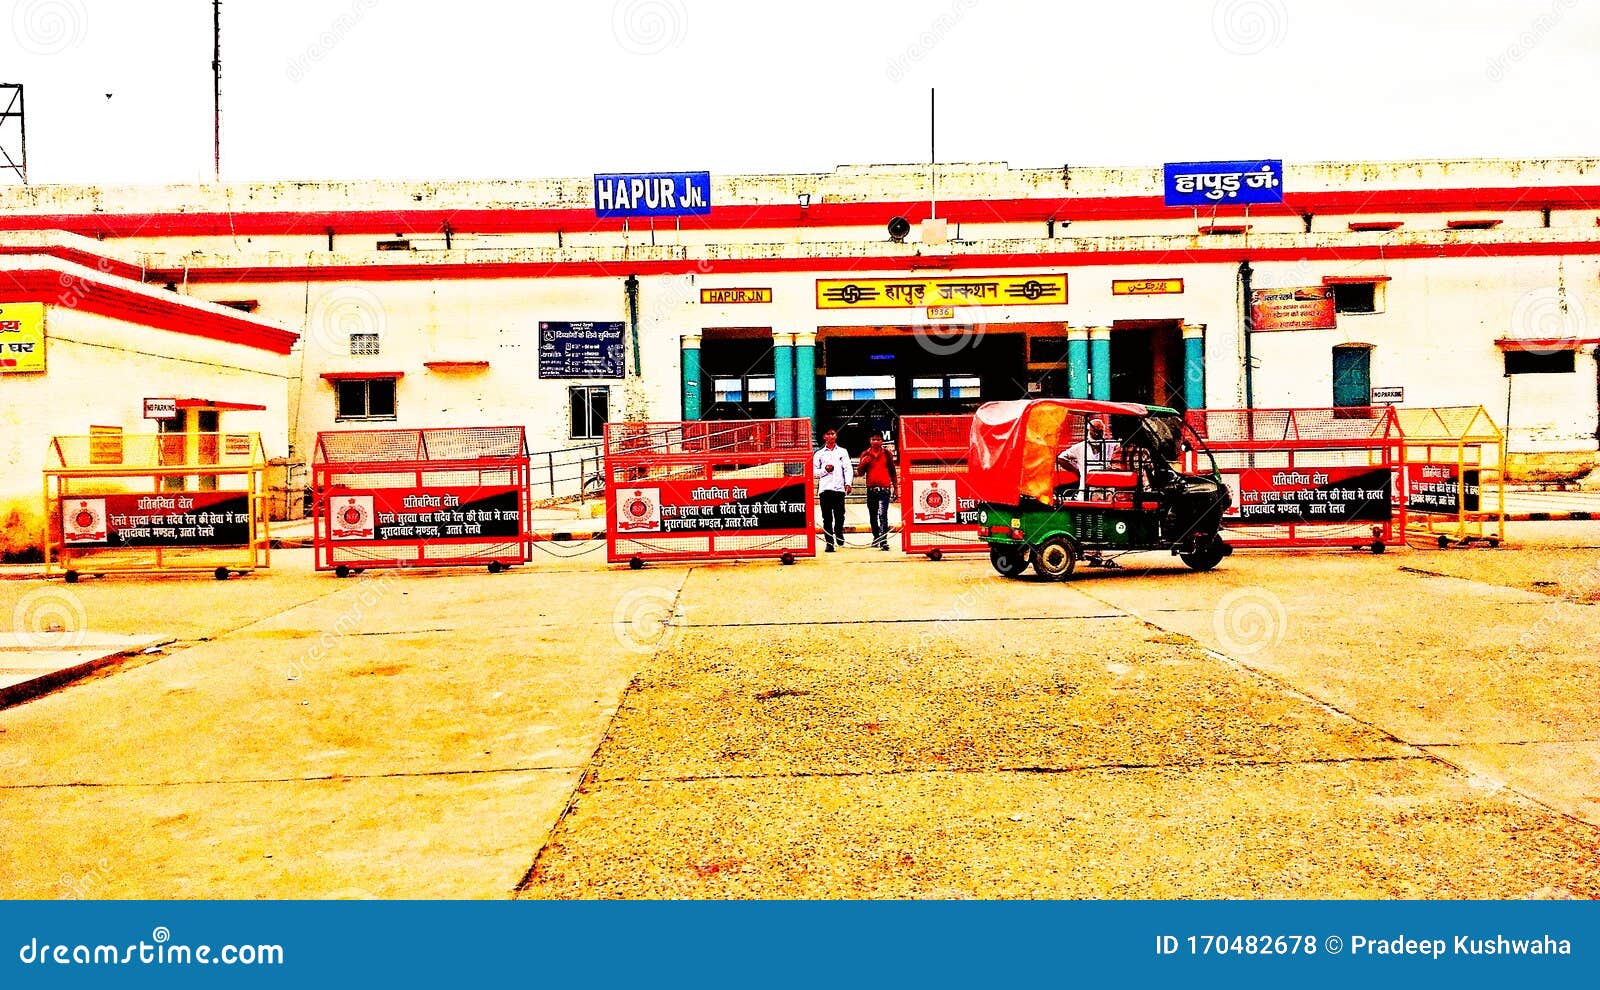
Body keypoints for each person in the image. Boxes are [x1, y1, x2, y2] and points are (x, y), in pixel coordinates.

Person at [813, 428, 852, 551]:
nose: (831, 436)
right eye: (828, 433)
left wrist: (848, 483)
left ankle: (839, 533)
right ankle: (829, 543)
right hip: (825, 489)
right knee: (827, 517)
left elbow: (847, 468)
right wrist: (825, 470)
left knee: (840, 515)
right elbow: (814, 472)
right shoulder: (819, 454)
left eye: (833, 433)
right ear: (824, 436)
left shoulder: (842, 452)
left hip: (839, 488)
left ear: (836, 436)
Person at [857, 433, 898, 550]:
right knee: (873, 515)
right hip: (871, 490)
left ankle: (884, 540)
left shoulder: (887, 454)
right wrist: (863, 463)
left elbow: (892, 471)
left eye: (878, 439)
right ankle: (876, 537)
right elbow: (860, 473)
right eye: (873, 439)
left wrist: (896, 488)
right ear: (870, 440)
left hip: (885, 489)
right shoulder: (865, 454)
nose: (876, 441)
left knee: (883, 514)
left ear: (882, 440)